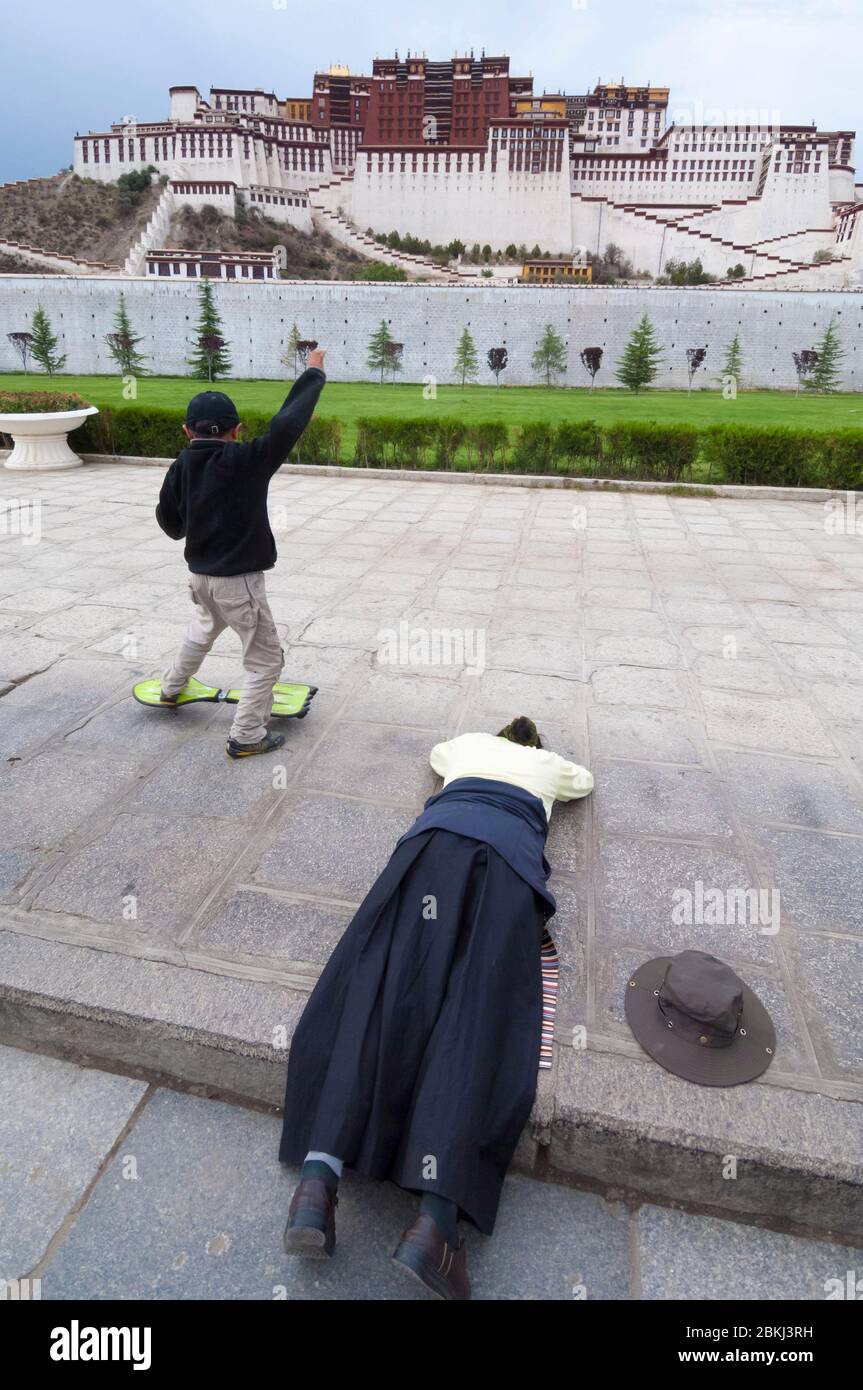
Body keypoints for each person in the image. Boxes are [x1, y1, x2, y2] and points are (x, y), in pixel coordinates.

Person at [279, 715, 594, 1300]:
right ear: (536, 747)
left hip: (427, 849)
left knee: (373, 990)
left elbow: (436, 753)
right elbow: (586, 782)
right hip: (504, 866)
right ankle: (435, 1226)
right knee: (478, 1016)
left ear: (494, 737)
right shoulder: (550, 768)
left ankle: (316, 1186)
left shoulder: (465, 749)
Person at [154, 351, 326, 759]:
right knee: (265, 660)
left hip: (201, 579)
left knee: (202, 630)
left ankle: (171, 688)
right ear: (237, 430)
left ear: (186, 430)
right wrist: (314, 372)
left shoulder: (181, 466)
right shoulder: (249, 459)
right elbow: (287, 424)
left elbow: (169, 522)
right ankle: (246, 736)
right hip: (239, 584)